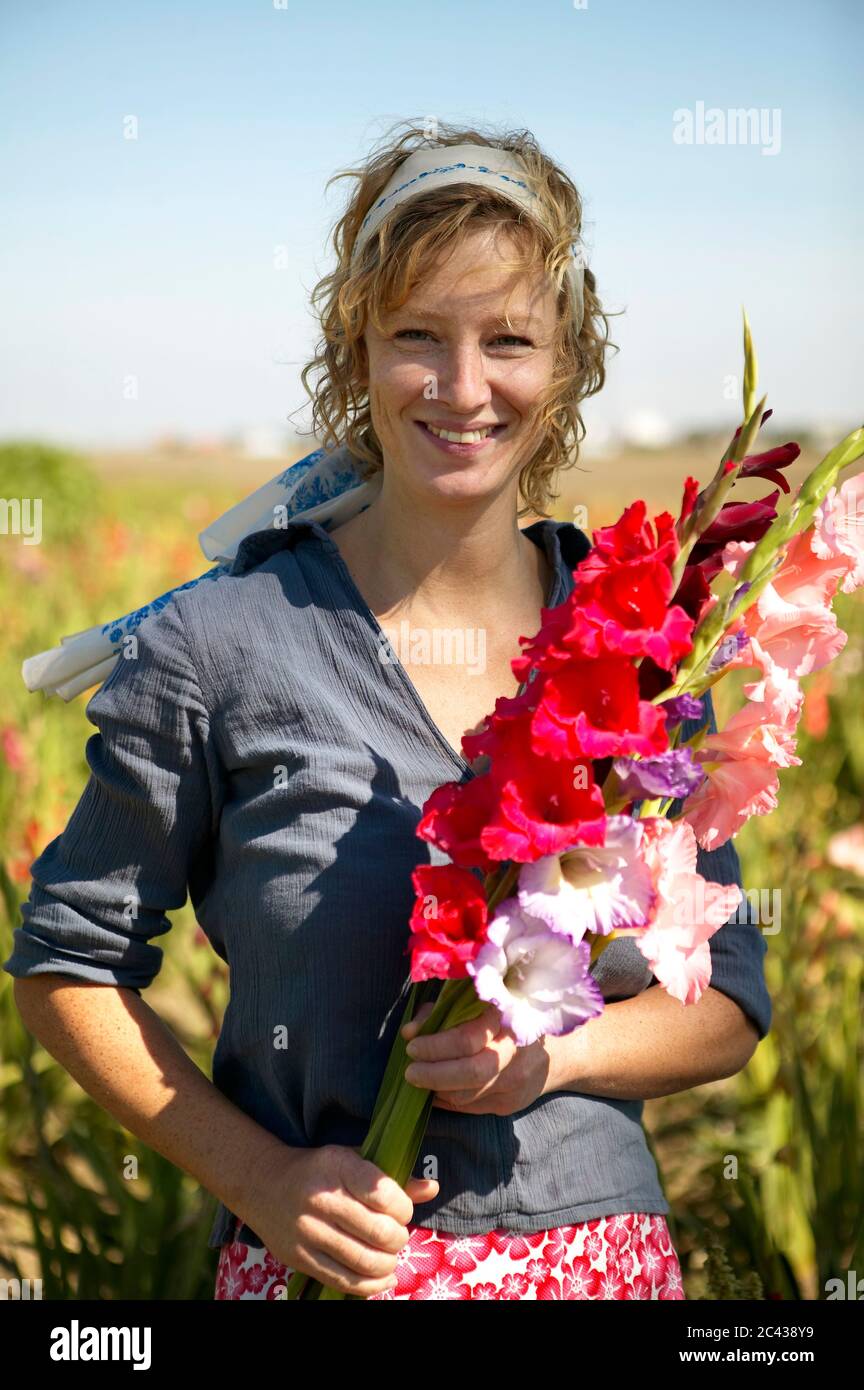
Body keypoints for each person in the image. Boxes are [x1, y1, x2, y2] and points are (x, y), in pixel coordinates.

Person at [4, 121, 771, 1302]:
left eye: (508, 340)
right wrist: (260, 1180)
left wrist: (552, 1056)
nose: (464, 389)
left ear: (564, 360)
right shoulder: (222, 643)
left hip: (601, 1272)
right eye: (418, 335)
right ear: (354, 345)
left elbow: (727, 1001)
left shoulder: (639, 641)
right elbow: (66, 965)